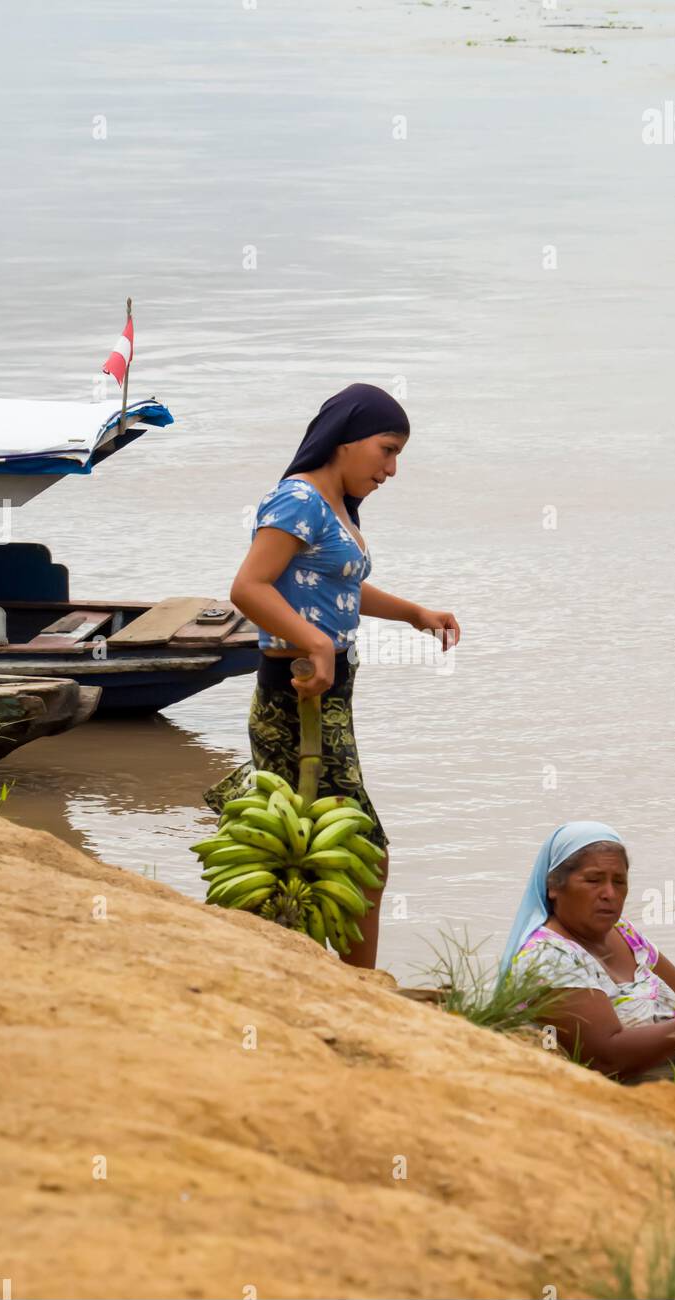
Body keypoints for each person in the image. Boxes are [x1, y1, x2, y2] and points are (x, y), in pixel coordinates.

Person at [206, 382, 460, 968]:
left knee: (307, 844)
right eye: (387, 450)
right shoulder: (297, 500)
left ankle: (294, 959)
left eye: (398, 455)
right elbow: (248, 586)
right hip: (295, 698)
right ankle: (356, 983)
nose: (392, 469)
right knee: (362, 849)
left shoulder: (332, 506)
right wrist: (316, 642)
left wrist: (414, 614)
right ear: (345, 439)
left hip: (328, 695)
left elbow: (336, 586)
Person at [498, 822, 675, 1083]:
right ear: (553, 887)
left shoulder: (622, 932)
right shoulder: (549, 956)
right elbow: (607, 1055)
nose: (609, 893)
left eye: (618, 881)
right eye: (593, 880)